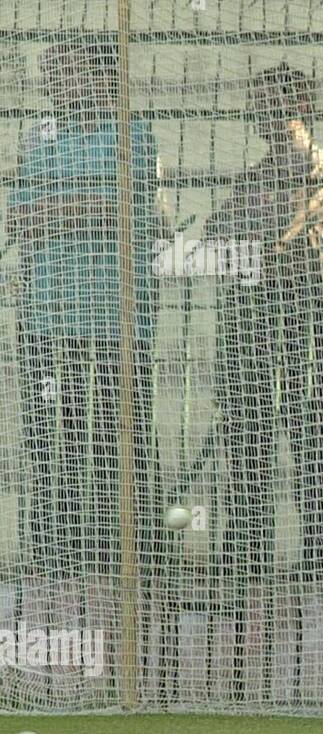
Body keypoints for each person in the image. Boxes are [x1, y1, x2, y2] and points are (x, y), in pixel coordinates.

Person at [206, 62, 323, 698]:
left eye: (268, 97)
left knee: (309, 437)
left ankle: (318, 573)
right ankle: (246, 566)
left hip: (297, 314)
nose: (256, 108)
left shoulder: (316, 163)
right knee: (248, 440)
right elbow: (220, 233)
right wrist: (232, 238)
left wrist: (242, 239)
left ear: (297, 101)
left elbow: (281, 240)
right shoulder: (261, 170)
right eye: (253, 95)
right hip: (249, 317)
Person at [7, 37, 163, 584]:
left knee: (122, 440)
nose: (53, 83)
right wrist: (82, 201)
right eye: (48, 72)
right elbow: (19, 221)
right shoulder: (39, 136)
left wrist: (60, 205)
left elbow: (122, 207)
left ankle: (128, 554)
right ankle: (58, 556)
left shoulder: (132, 135)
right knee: (57, 439)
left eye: (63, 71)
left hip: (117, 316)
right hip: (49, 316)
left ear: (98, 77)